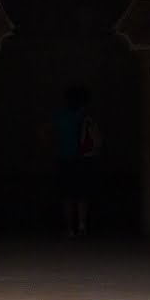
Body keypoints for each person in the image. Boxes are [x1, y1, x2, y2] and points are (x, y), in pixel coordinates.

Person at [52, 84, 101, 237]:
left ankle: (69, 228)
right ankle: (82, 225)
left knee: (67, 195)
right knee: (82, 195)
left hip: (64, 159)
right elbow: (97, 140)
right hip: (82, 160)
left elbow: (51, 137)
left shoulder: (60, 118)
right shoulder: (86, 118)